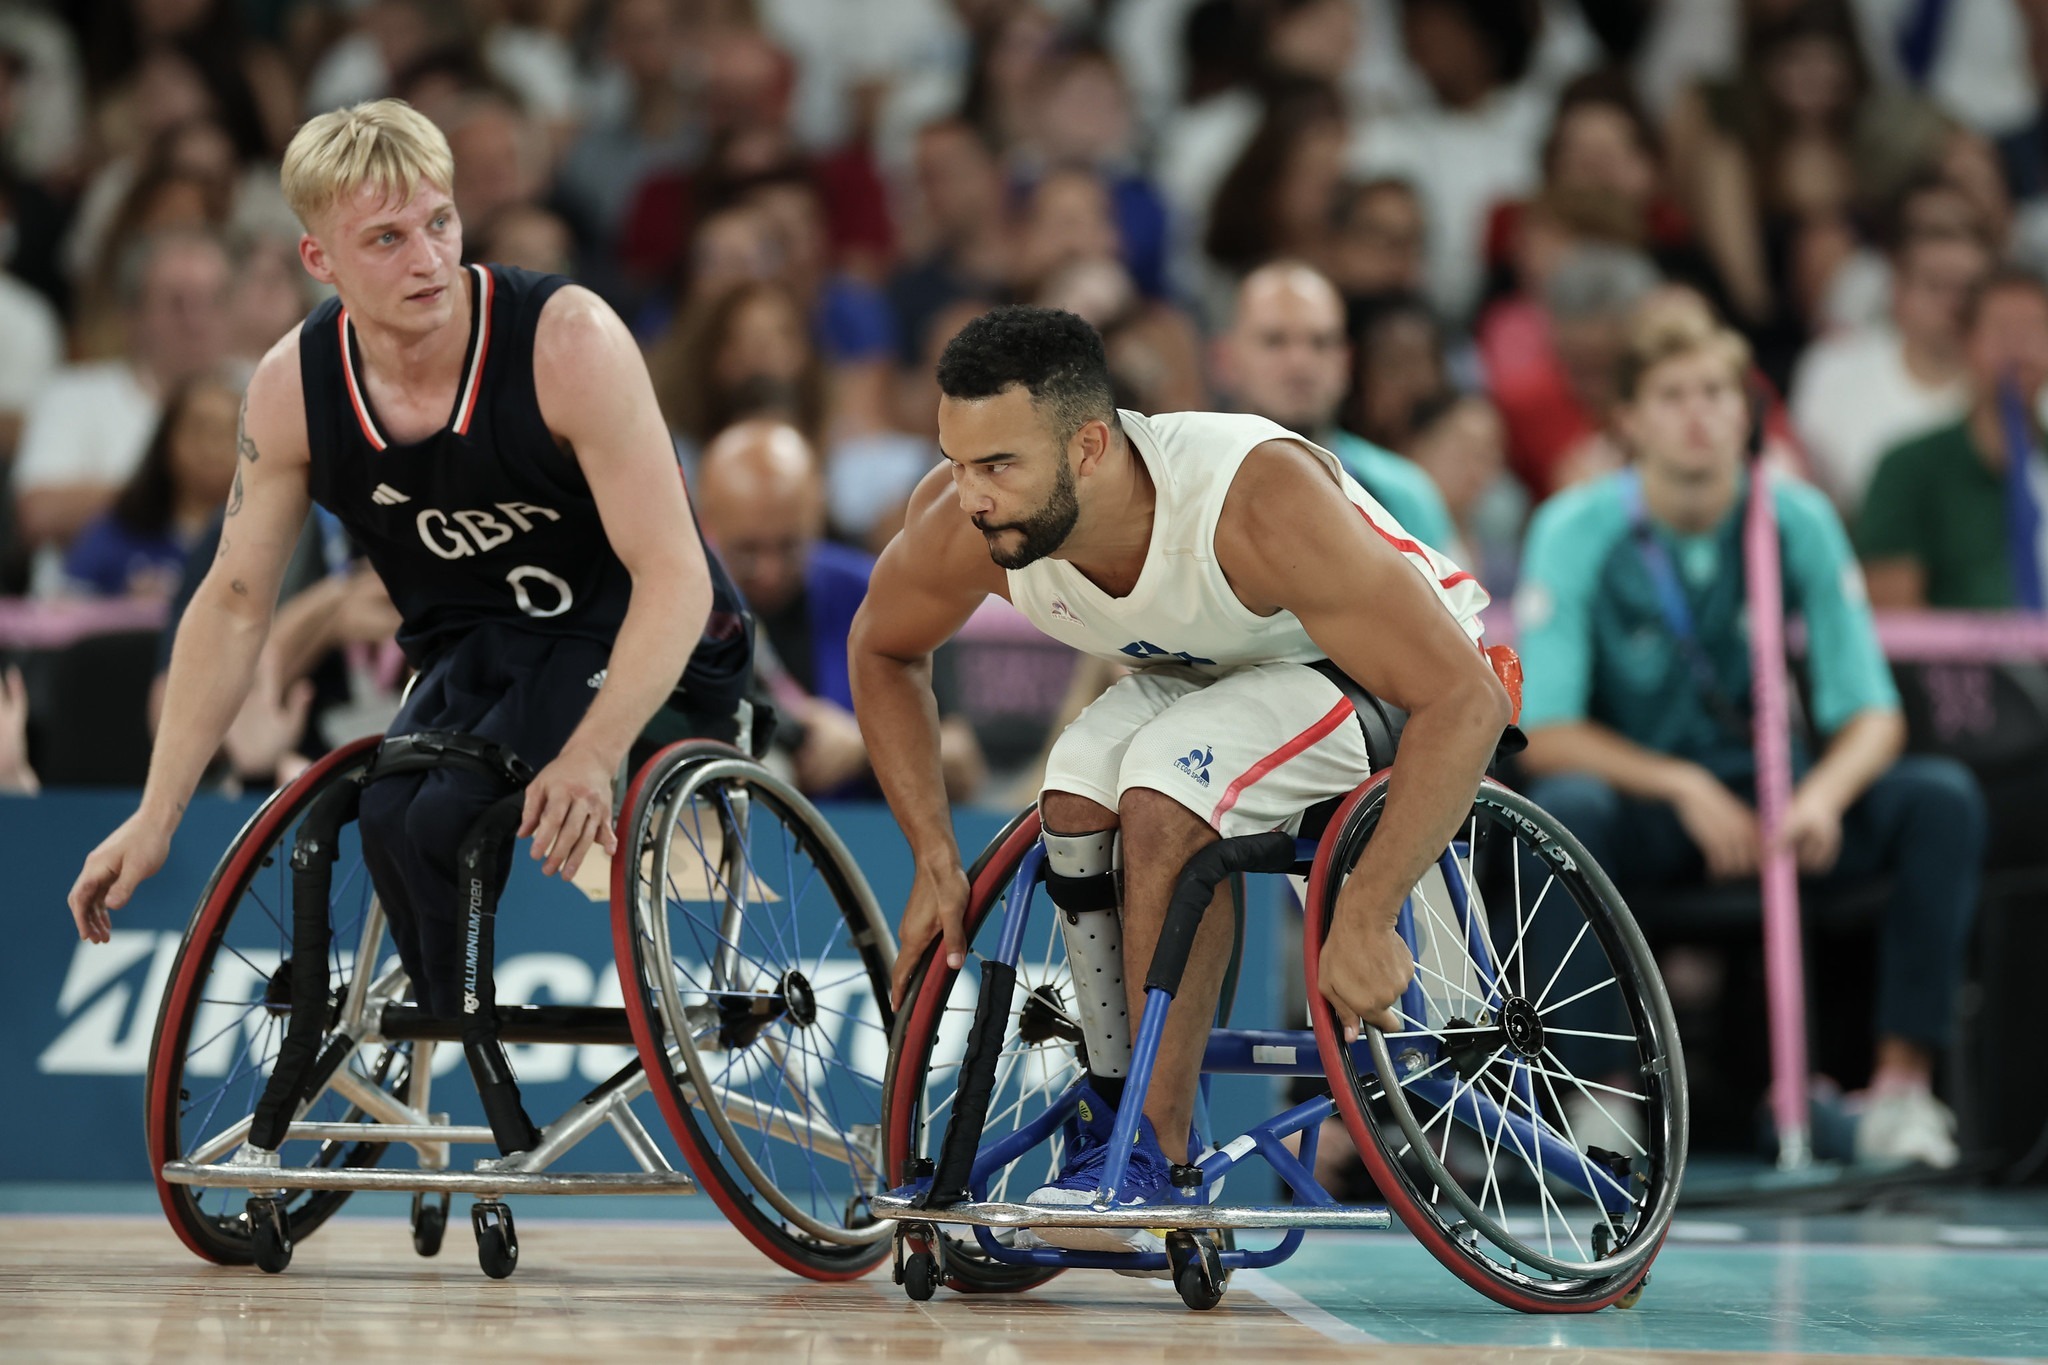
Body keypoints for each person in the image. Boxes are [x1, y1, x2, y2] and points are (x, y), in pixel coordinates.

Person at [66, 101, 754, 1062]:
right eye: (385, 239)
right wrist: (157, 811)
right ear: (320, 262)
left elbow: (676, 572)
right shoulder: (291, 388)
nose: (426, 259)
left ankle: (467, 1044)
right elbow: (228, 605)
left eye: (438, 223)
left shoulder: (566, 340)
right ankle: (448, 1047)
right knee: (391, 813)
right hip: (475, 644)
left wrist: (597, 751)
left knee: (446, 810)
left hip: (641, 631)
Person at [848, 305, 1506, 1250]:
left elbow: (1465, 697)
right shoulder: (967, 526)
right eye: (955, 462)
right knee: (1073, 786)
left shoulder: (1251, 496)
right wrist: (931, 855)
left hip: (1391, 677)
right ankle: (1124, 1118)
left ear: (1087, 447)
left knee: (1163, 787)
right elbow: (881, 648)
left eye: (997, 466)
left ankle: (1151, 1147)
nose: (972, 495)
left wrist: (1364, 913)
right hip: (1216, 674)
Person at [1514, 307, 1984, 1168]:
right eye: (1672, 395)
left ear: (1747, 412)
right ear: (1629, 418)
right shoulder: (1576, 527)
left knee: (1941, 800)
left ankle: (1900, 1092)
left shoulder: (1793, 517)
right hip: (1650, 806)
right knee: (1568, 806)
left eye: (1717, 394)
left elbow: (1873, 712)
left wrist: (1823, 794)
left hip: (1780, 801)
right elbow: (1544, 728)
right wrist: (1681, 787)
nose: (1698, 414)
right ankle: (1597, 1099)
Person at [694, 417, 982, 799]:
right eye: (747, 551)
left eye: (790, 546)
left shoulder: (884, 592)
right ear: (707, 520)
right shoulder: (685, 609)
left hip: (866, 843)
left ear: (817, 511)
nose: (769, 572)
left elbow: (964, 764)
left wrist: (866, 749)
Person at [1215, 260, 1460, 558]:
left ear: (1346, 362)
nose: (1300, 362)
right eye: (1274, 341)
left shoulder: (1404, 495)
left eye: (1320, 343)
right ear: (1226, 359)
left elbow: (1448, 605)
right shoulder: (1182, 485)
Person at [1859, 267, 2048, 610]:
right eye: (2003, 329)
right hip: (1956, 663)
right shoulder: (1909, 467)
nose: (2019, 347)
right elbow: (1894, 608)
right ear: (1965, 341)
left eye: (2035, 329)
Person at [1791, 226, 1989, 516]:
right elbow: (1802, 492)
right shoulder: (1832, 369)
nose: (1955, 305)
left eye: (1969, 290)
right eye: (1936, 286)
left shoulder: (2024, 384)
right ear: (1898, 292)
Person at [61, 375, 240, 599]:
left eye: (230, 433)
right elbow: (67, 605)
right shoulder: (120, 528)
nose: (212, 448)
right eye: (198, 430)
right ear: (166, 439)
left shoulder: (264, 540)